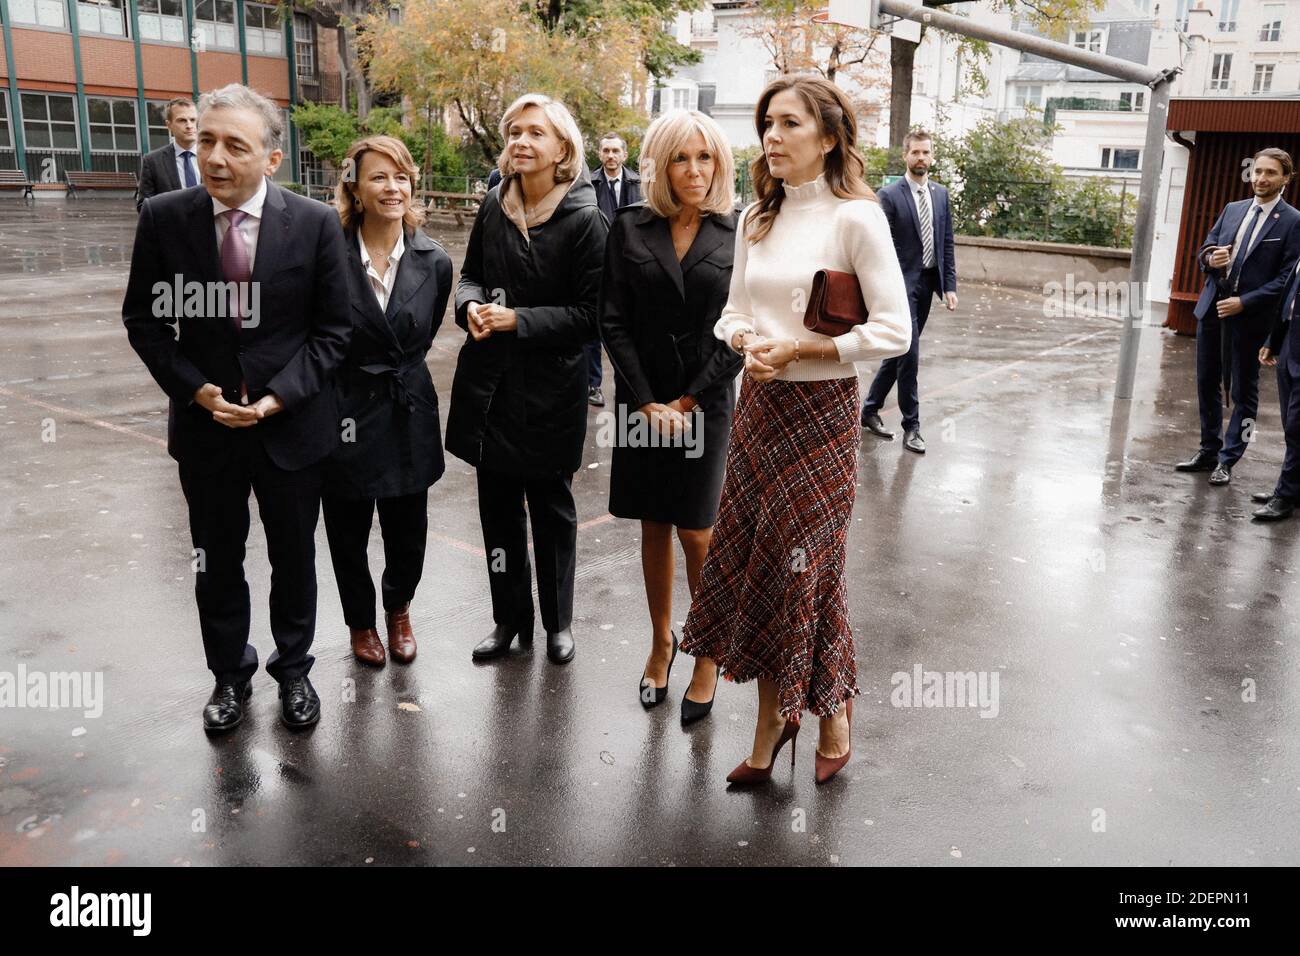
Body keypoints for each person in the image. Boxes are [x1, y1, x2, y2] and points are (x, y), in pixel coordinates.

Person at [679, 76, 910, 786]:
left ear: (831, 137)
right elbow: (731, 312)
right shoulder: (755, 217)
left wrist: (803, 350)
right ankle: (792, 719)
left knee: (806, 568)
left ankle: (806, 719)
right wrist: (748, 335)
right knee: (767, 564)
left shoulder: (857, 218)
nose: (772, 138)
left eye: (789, 124)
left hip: (822, 415)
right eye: (766, 124)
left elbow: (893, 331)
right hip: (759, 410)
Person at [122, 83, 353, 732]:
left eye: (235, 145)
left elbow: (334, 331)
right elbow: (145, 319)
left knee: (294, 559)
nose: (215, 157)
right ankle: (229, 675)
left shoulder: (312, 224)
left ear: (271, 159)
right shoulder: (165, 218)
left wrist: (279, 396)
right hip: (206, 430)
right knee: (215, 558)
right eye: (206, 142)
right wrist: (196, 389)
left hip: (292, 430)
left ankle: (295, 670)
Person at [445, 93, 608, 666]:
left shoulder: (586, 220)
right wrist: (469, 307)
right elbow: (469, 277)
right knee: (497, 512)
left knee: (552, 511)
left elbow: (593, 317)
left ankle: (559, 621)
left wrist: (519, 320)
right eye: (514, 132)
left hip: (550, 391)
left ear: (562, 147)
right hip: (490, 386)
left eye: (535, 133)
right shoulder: (493, 204)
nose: (521, 141)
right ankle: (509, 619)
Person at [598, 109, 740, 724]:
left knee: (697, 530)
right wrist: (648, 400)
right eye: (681, 157)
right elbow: (613, 318)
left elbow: (742, 329)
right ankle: (662, 641)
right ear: (659, 164)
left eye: (705, 157)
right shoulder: (630, 226)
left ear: (721, 163)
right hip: (641, 398)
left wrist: (685, 401)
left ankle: (706, 650)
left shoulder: (742, 232)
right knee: (653, 524)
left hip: (703, 401)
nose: (695, 170)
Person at [322, 135, 453, 666]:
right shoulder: (326, 252)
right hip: (344, 406)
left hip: (406, 407)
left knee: (407, 528)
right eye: (378, 176)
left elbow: (420, 336)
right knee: (347, 530)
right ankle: (360, 622)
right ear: (354, 186)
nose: (392, 187)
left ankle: (398, 608)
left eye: (401, 175)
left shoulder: (434, 260)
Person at [1176, 147, 1300, 486]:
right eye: (1257, 171)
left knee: (1244, 392)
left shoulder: (1292, 221)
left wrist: (1244, 302)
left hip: (1249, 319)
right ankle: (1208, 450)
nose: (1261, 178)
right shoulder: (1233, 209)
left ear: (1285, 178)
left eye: (1270, 173)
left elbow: (1286, 278)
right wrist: (1209, 258)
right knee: (1206, 382)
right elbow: (1206, 247)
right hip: (1212, 308)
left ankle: (1229, 459)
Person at [859, 130, 957, 454]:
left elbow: (946, 243)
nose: (921, 158)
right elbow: (877, 246)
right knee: (910, 355)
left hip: (929, 284)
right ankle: (911, 426)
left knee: (900, 352)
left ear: (932, 155)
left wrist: (950, 286)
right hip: (900, 287)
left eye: (926, 153)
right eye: (915, 152)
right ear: (906, 155)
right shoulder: (889, 196)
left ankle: (870, 409)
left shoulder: (940, 195)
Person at [587, 133, 644, 407]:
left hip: (632, 265)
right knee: (594, 327)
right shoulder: (588, 183)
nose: (610, 156)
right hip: (597, 263)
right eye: (606, 150)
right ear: (600, 154)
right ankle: (593, 384)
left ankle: (631, 385)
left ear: (624, 154)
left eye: (615, 151)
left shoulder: (639, 183)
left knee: (631, 328)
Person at [1254, 258, 1300, 520]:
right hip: (1289, 347)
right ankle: (1293, 488)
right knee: (1289, 422)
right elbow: (1288, 299)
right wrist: (1274, 341)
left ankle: (1284, 496)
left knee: (1296, 426)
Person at [136, 98, 200, 211]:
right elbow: (144, 206)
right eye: (182, 120)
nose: (189, 125)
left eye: (193, 120)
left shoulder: (212, 156)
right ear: (168, 125)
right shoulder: (152, 162)